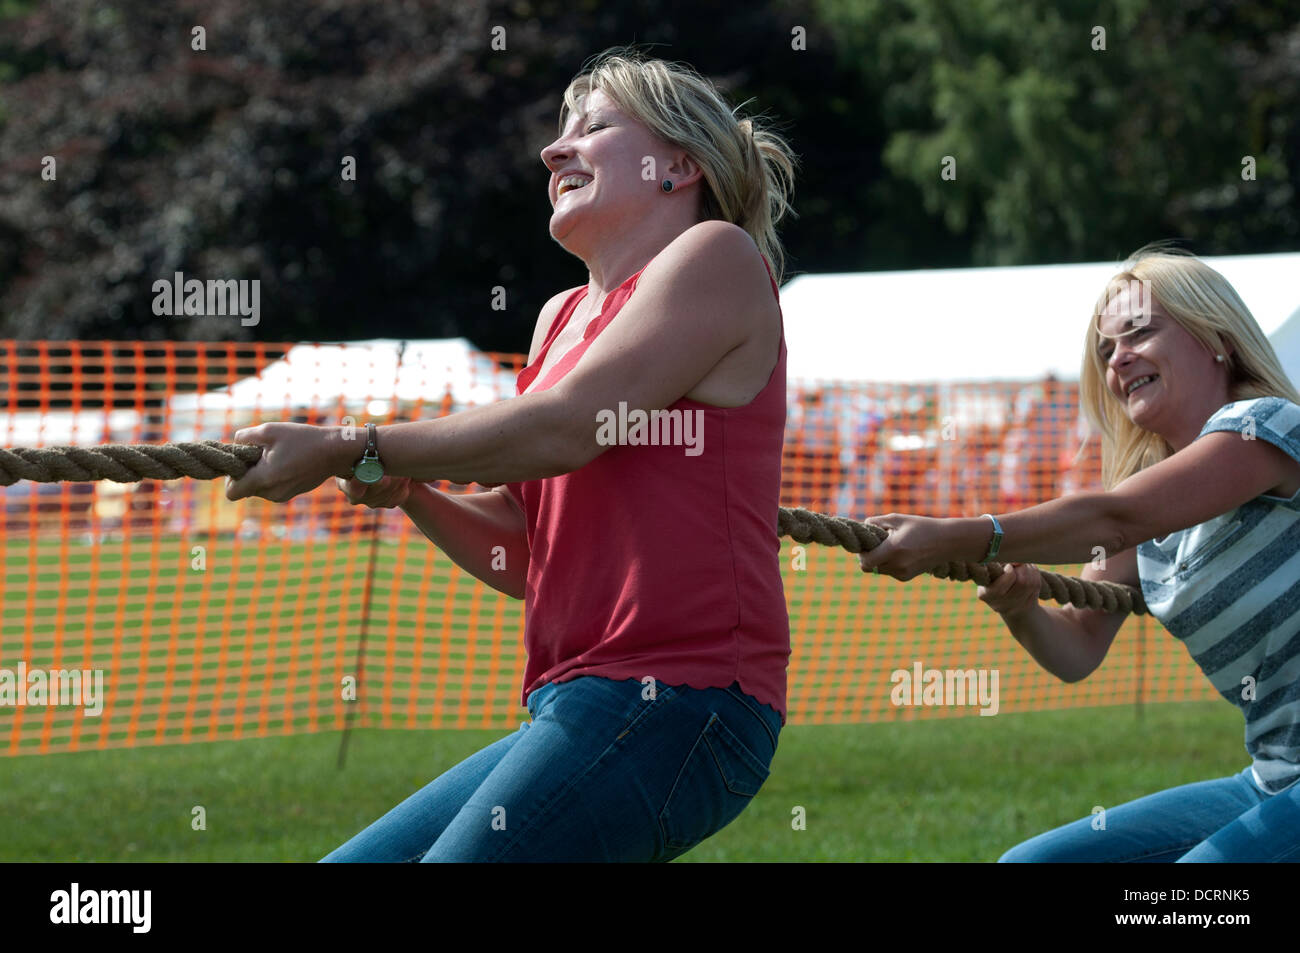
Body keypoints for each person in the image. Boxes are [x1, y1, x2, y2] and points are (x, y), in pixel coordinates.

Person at [224, 48, 797, 862]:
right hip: (574, 703)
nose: (553, 150)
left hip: (685, 699)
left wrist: (359, 444)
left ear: (678, 165)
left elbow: (567, 426)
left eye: (592, 128)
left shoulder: (718, 255)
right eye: (562, 132)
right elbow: (524, 550)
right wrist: (411, 490)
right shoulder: (558, 316)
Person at [857, 246, 1300, 861]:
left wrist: (952, 536)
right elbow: (1077, 649)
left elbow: (1114, 518)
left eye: (1139, 332)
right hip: (1273, 780)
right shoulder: (1148, 514)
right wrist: (1020, 609)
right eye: (1106, 349)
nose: (1118, 357)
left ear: (1217, 337)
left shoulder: (1268, 426)